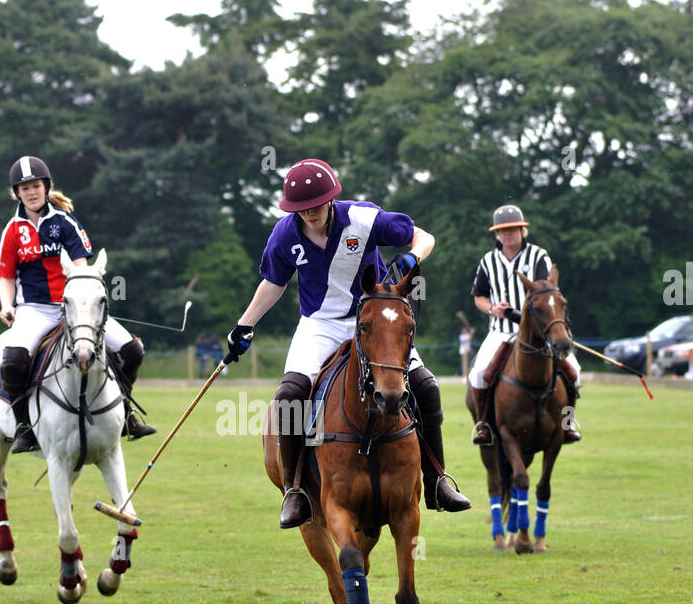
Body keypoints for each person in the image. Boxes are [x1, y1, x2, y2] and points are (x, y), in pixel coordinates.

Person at [222, 158, 471, 528]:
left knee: (426, 387)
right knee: (289, 395)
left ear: (331, 199)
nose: (309, 213)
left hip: (373, 320)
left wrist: (411, 257)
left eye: (316, 205)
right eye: (300, 208)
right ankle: (295, 491)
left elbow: (424, 236)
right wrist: (244, 325)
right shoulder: (285, 235)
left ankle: (436, 480)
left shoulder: (363, 219)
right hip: (320, 325)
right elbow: (274, 284)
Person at [0, 155, 154, 453]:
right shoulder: (12, 230)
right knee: (13, 360)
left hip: (73, 308)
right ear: (17, 192)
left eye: (36, 186)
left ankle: (127, 413)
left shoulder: (65, 222)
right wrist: (7, 305)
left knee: (132, 350)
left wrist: (84, 304)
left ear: (46, 186)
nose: (31, 192)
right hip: (34, 310)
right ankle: (24, 426)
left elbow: (81, 269)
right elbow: (5, 277)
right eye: (24, 188)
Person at [465, 205, 581, 444]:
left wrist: (519, 314)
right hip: (500, 331)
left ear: (522, 230)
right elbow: (479, 297)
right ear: (497, 234)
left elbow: (544, 291)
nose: (509, 234)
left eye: (514, 229)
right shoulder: (488, 261)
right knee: (478, 374)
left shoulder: (539, 256)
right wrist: (492, 309)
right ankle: (483, 425)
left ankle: (567, 423)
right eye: (504, 231)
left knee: (574, 372)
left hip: (538, 333)